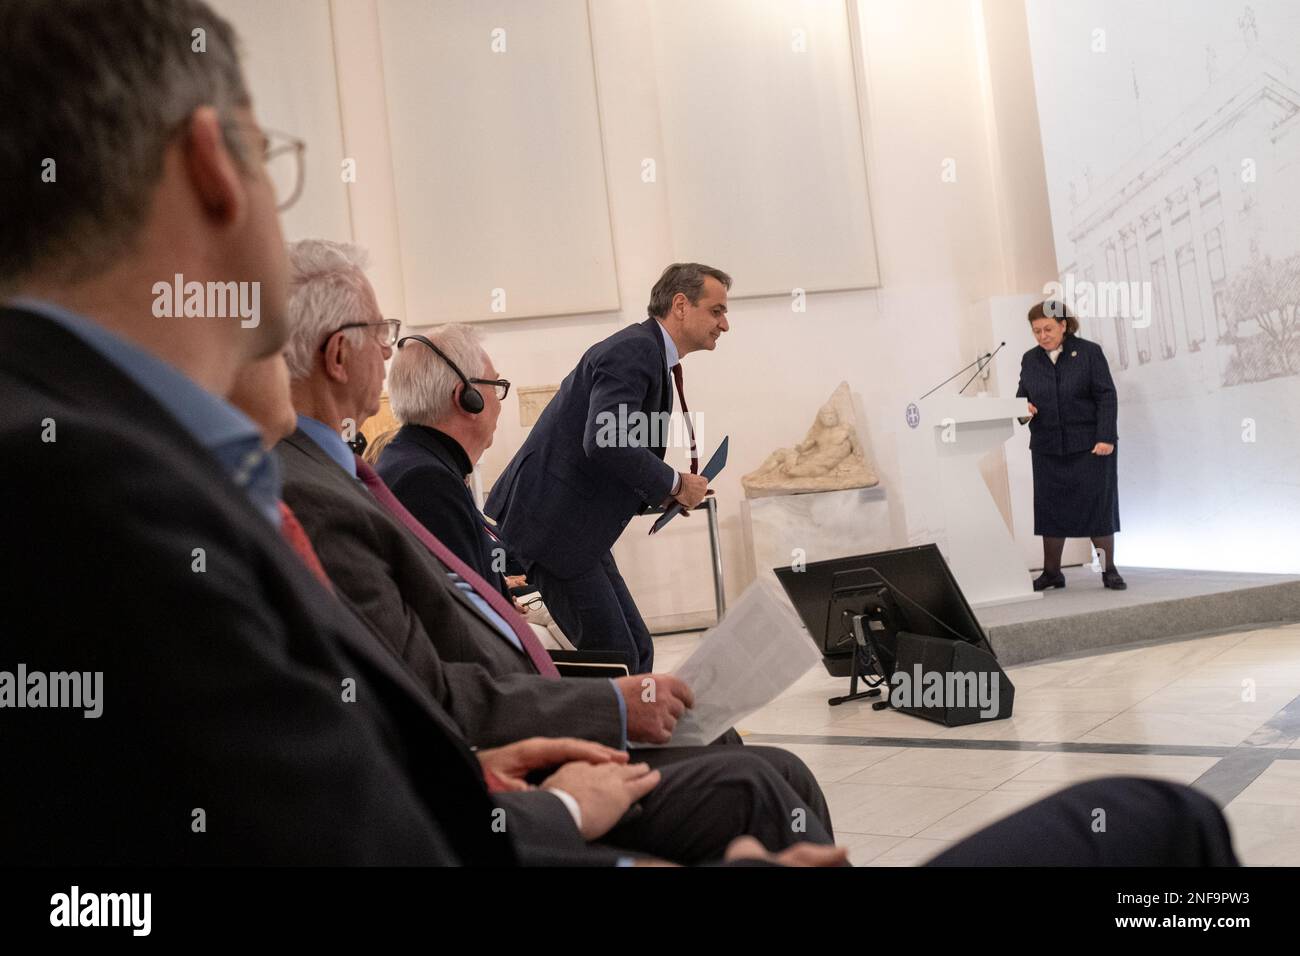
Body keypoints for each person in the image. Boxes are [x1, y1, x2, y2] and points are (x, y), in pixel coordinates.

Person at [485, 263, 730, 672]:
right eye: (717, 311)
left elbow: (617, 441)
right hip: (556, 529)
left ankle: (632, 733)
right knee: (618, 660)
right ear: (682, 305)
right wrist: (673, 483)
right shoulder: (634, 350)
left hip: (575, 530)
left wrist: (674, 489)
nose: (725, 325)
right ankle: (610, 734)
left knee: (635, 651)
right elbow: (606, 440)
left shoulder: (646, 351)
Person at [378, 324, 514, 595]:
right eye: (496, 386)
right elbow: (467, 616)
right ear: (466, 399)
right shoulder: (426, 481)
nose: (500, 402)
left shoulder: (416, 461)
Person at [1016, 300, 1125, 591]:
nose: (1042, 336)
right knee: (1051, 511)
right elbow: (1020, 399)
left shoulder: (1089, 353)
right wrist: (1023, 408)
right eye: (1036, 331)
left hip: (1089, 447)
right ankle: (1052, 573)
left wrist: (1106, 437)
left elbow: (1106, 396)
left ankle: (1108, 569)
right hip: (1048, 448)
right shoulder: (1030, 359)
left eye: (1048, 329)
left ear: (1064, 325)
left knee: (1097, 509)